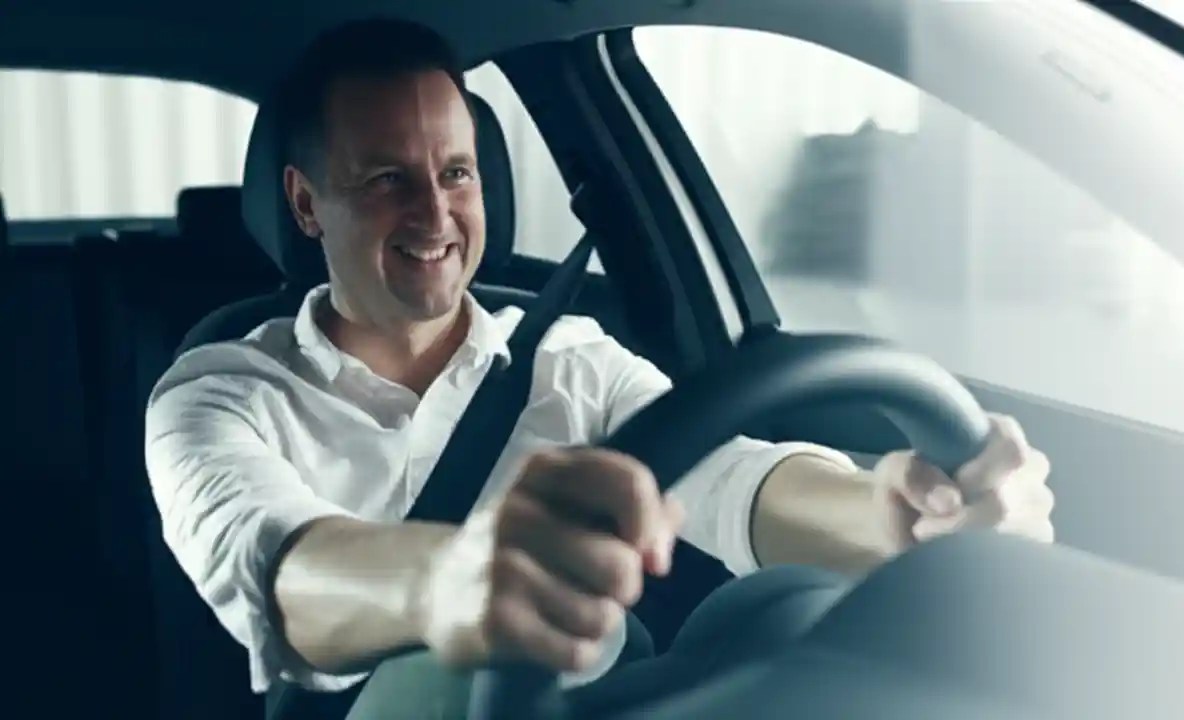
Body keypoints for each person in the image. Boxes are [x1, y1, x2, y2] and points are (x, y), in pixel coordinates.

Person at [143, 18, 1054, 719]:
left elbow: (733, 480)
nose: (435, 213)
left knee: (784, 612)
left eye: (456, 173)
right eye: (387, 179)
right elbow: (283, 572)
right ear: (305, 203)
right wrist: (454, 580)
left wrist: (892, 518)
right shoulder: (219, 396)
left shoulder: (566, 360)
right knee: (440, 681)